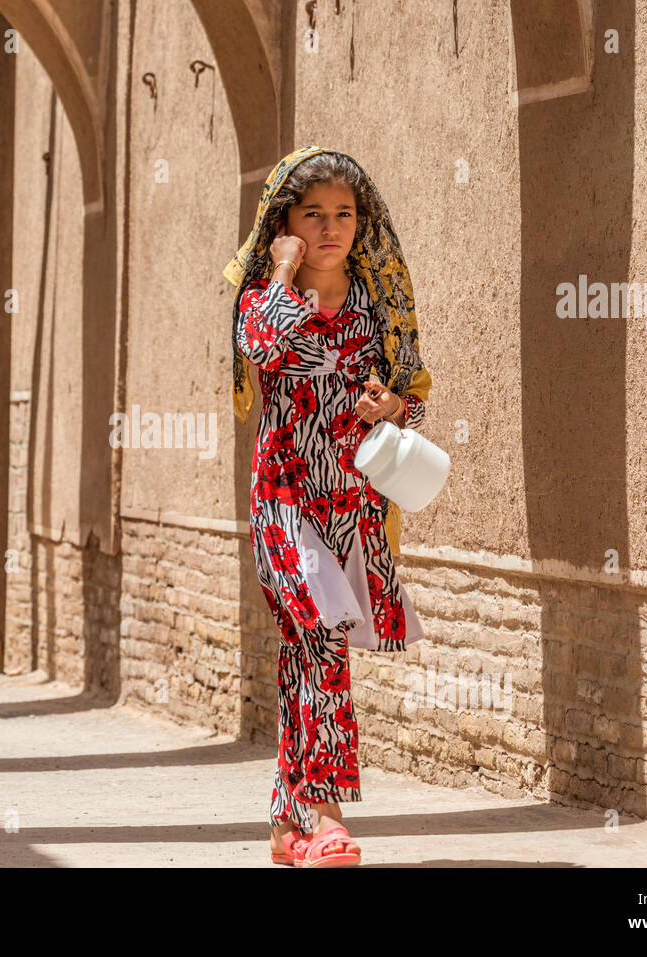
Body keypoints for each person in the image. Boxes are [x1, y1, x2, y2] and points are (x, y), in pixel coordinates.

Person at [224, 146, 433, 867]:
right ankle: (327, 814)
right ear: (284, 222)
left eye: (343, 214)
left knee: (309, 654)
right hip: (282, 502)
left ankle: (286, 827)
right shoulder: (265, 298)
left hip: (348, 509)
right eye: (312, 214)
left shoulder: (375, 311)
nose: (330, 227)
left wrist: (396, 406)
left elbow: (411, 401)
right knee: (319, 639)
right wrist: (281, 269)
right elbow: (259, 343)